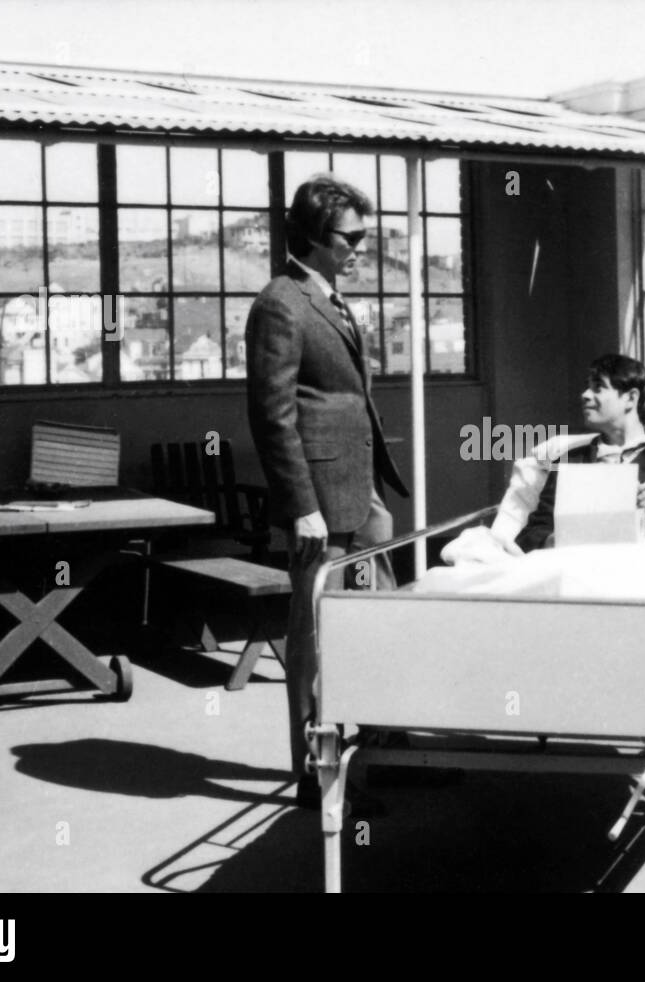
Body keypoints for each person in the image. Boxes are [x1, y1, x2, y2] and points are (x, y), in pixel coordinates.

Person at [246, 173, 408, 806]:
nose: (362, 247)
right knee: (315, 629)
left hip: (361, 486)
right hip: (320, 498)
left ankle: (390, 744)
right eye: (352, 237)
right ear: (315, 236)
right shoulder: (281, 302)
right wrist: (302, 507)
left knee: (381, 614)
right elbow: (272, 414)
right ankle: (316, 772)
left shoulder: (328, 296)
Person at [514, 354, 645, 552]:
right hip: (580, 563)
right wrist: (554, 541)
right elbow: (534, 532)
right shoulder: (571, 461)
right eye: (587, 387)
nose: (584, 395)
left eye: (598, 387)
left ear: (630, 398)